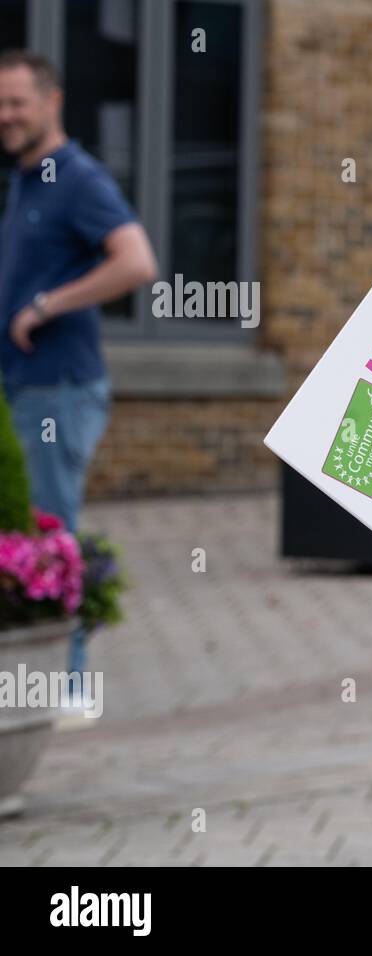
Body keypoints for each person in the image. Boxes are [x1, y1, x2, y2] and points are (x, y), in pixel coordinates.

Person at [0, 49, 157, 681]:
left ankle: (61, 689)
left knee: (48, 540)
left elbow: (137, 262)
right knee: (27, 538)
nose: (5, 115)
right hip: (25, 386)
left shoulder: (78, 178)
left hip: (56, 392)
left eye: (17, 103)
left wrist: (46, 305)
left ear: (52, 101)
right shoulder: (25, 177)